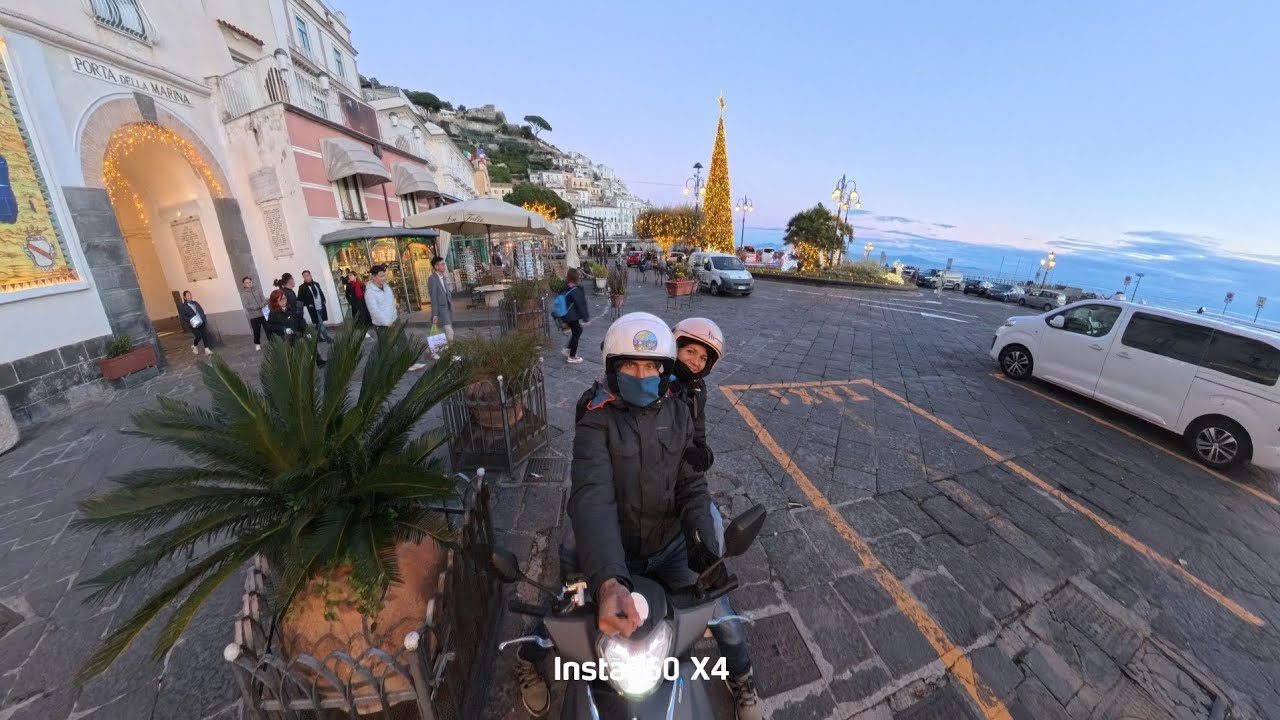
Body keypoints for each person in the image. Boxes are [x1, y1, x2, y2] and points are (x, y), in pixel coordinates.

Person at [516, 312, 721, 716]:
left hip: (666, 546)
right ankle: (528, 659)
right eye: (630, 365)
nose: (641, 374)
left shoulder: (682, 412)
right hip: (609, 552)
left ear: (665, 371)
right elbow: (592, 495)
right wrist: (607, 580)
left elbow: (691, 482)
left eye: (651, 366)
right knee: (562, 616)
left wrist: (703, 540)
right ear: (612, 368)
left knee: (721, 614)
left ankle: (742, 676)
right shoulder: (595, 417)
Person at [668, 318, 760, 719]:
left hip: (685, 494)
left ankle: (742, 678)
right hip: (635, 506)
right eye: (689, 350)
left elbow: (697, 443)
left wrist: (700, 452)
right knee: (573, 584)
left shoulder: (695, 391)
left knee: (720, 603)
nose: (694, 360)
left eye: (701, 357)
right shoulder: (644, 387)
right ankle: (533, 653)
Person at [265, 289, 325, 367]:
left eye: (285, 298)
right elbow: (271, 327)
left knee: (311, 345)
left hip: (299, 332)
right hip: (288, 339)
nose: (284, 300)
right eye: (281, 299)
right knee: (297, 355)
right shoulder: (273, 314)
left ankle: (318, 360)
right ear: (275, 301)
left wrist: (306, 331)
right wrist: (284, 329)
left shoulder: (290, 308)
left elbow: (299, 320)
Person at [560, 268, 589, 364]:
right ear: (576, 278)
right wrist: (585, 317)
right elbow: (580, 304)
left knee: (578, 330)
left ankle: (568, 348)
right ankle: (572, 356)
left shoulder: (566, 287)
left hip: (566, 315)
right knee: (577, 333)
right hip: (572, 317)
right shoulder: (575, 290)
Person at [297, 270, 332, 343]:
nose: (306, 277)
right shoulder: (302, 287)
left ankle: (318, 337)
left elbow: (320, 292)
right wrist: (307, 304)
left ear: (311, 275)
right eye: (304, 276)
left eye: (307, 275)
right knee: (321, 324)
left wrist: (323, 300)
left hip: (321, 307)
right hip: (313, 309)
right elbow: (300, 299)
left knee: (318, 323)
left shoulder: (316, 284)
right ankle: (327, 337)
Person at [364, 265, 398, 340]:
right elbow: (374, 311)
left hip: (394, 321)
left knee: (401, 345)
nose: (384, 278)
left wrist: (394, 317)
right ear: (374, 277)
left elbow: (392, 304)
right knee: (387, 348)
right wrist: (387, 322)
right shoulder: (370, 292)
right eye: (381, 276)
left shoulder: (387, 287)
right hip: (382, 325)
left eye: (384, 275)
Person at [427, 257, 454, 342]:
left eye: (444, 264)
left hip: (447, 308)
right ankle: (451, 351)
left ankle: (436, 351)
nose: (444, 266)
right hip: (440, 310)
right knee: (449, 331)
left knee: (440, 332)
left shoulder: (443, 277)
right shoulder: (432, 279)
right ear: (436, 266)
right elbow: (433, 297)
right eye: (442, 264)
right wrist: (435, 314)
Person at [178, 291, 212, 356]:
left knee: (205, 335)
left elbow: (201, 310)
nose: (190, 296)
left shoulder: (195, 303)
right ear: (184, 297)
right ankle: (194, 345)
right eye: (188, 295)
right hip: (193, 324)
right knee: (199, 336)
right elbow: (183, 317)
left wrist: (204, 317)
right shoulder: (183, 306)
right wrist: (191, 320)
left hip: (201, 321)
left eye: (190, 295)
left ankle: (207, 349)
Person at [239, 276, 267, 351]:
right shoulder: (243, 294)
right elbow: (246, 305)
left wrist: (262, 304)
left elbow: (264, 300)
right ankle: (257, 344)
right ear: (244, 285)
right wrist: (256, 307)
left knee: (268, 329)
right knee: (256, 331)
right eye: (247, 283)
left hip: (263, 314)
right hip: (254, 316)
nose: (249, 284)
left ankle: (272, 342)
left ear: (252, 283)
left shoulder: (258, 291)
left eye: (250, 282)